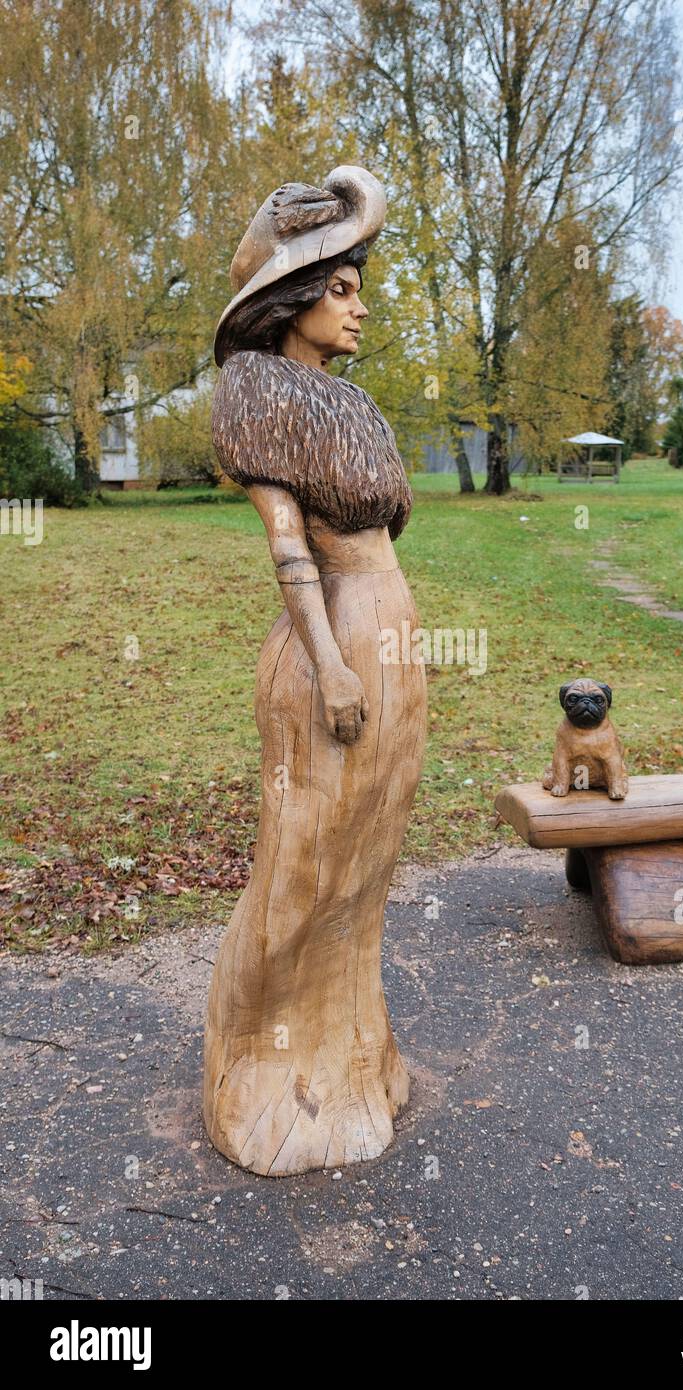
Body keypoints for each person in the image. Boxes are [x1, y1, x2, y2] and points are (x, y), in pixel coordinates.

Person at [202, 167, 427, 1177]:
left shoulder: (346, 398)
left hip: (389, 630)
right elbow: (288, 548)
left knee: (367, 858)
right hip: (328, 639)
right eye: (341, 285)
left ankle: (352, 1050)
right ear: (290, 301)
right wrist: (333, 664)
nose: (360, 302)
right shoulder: (258, 392)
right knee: (306, 858)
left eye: (357, 283)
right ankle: (265, 1071)